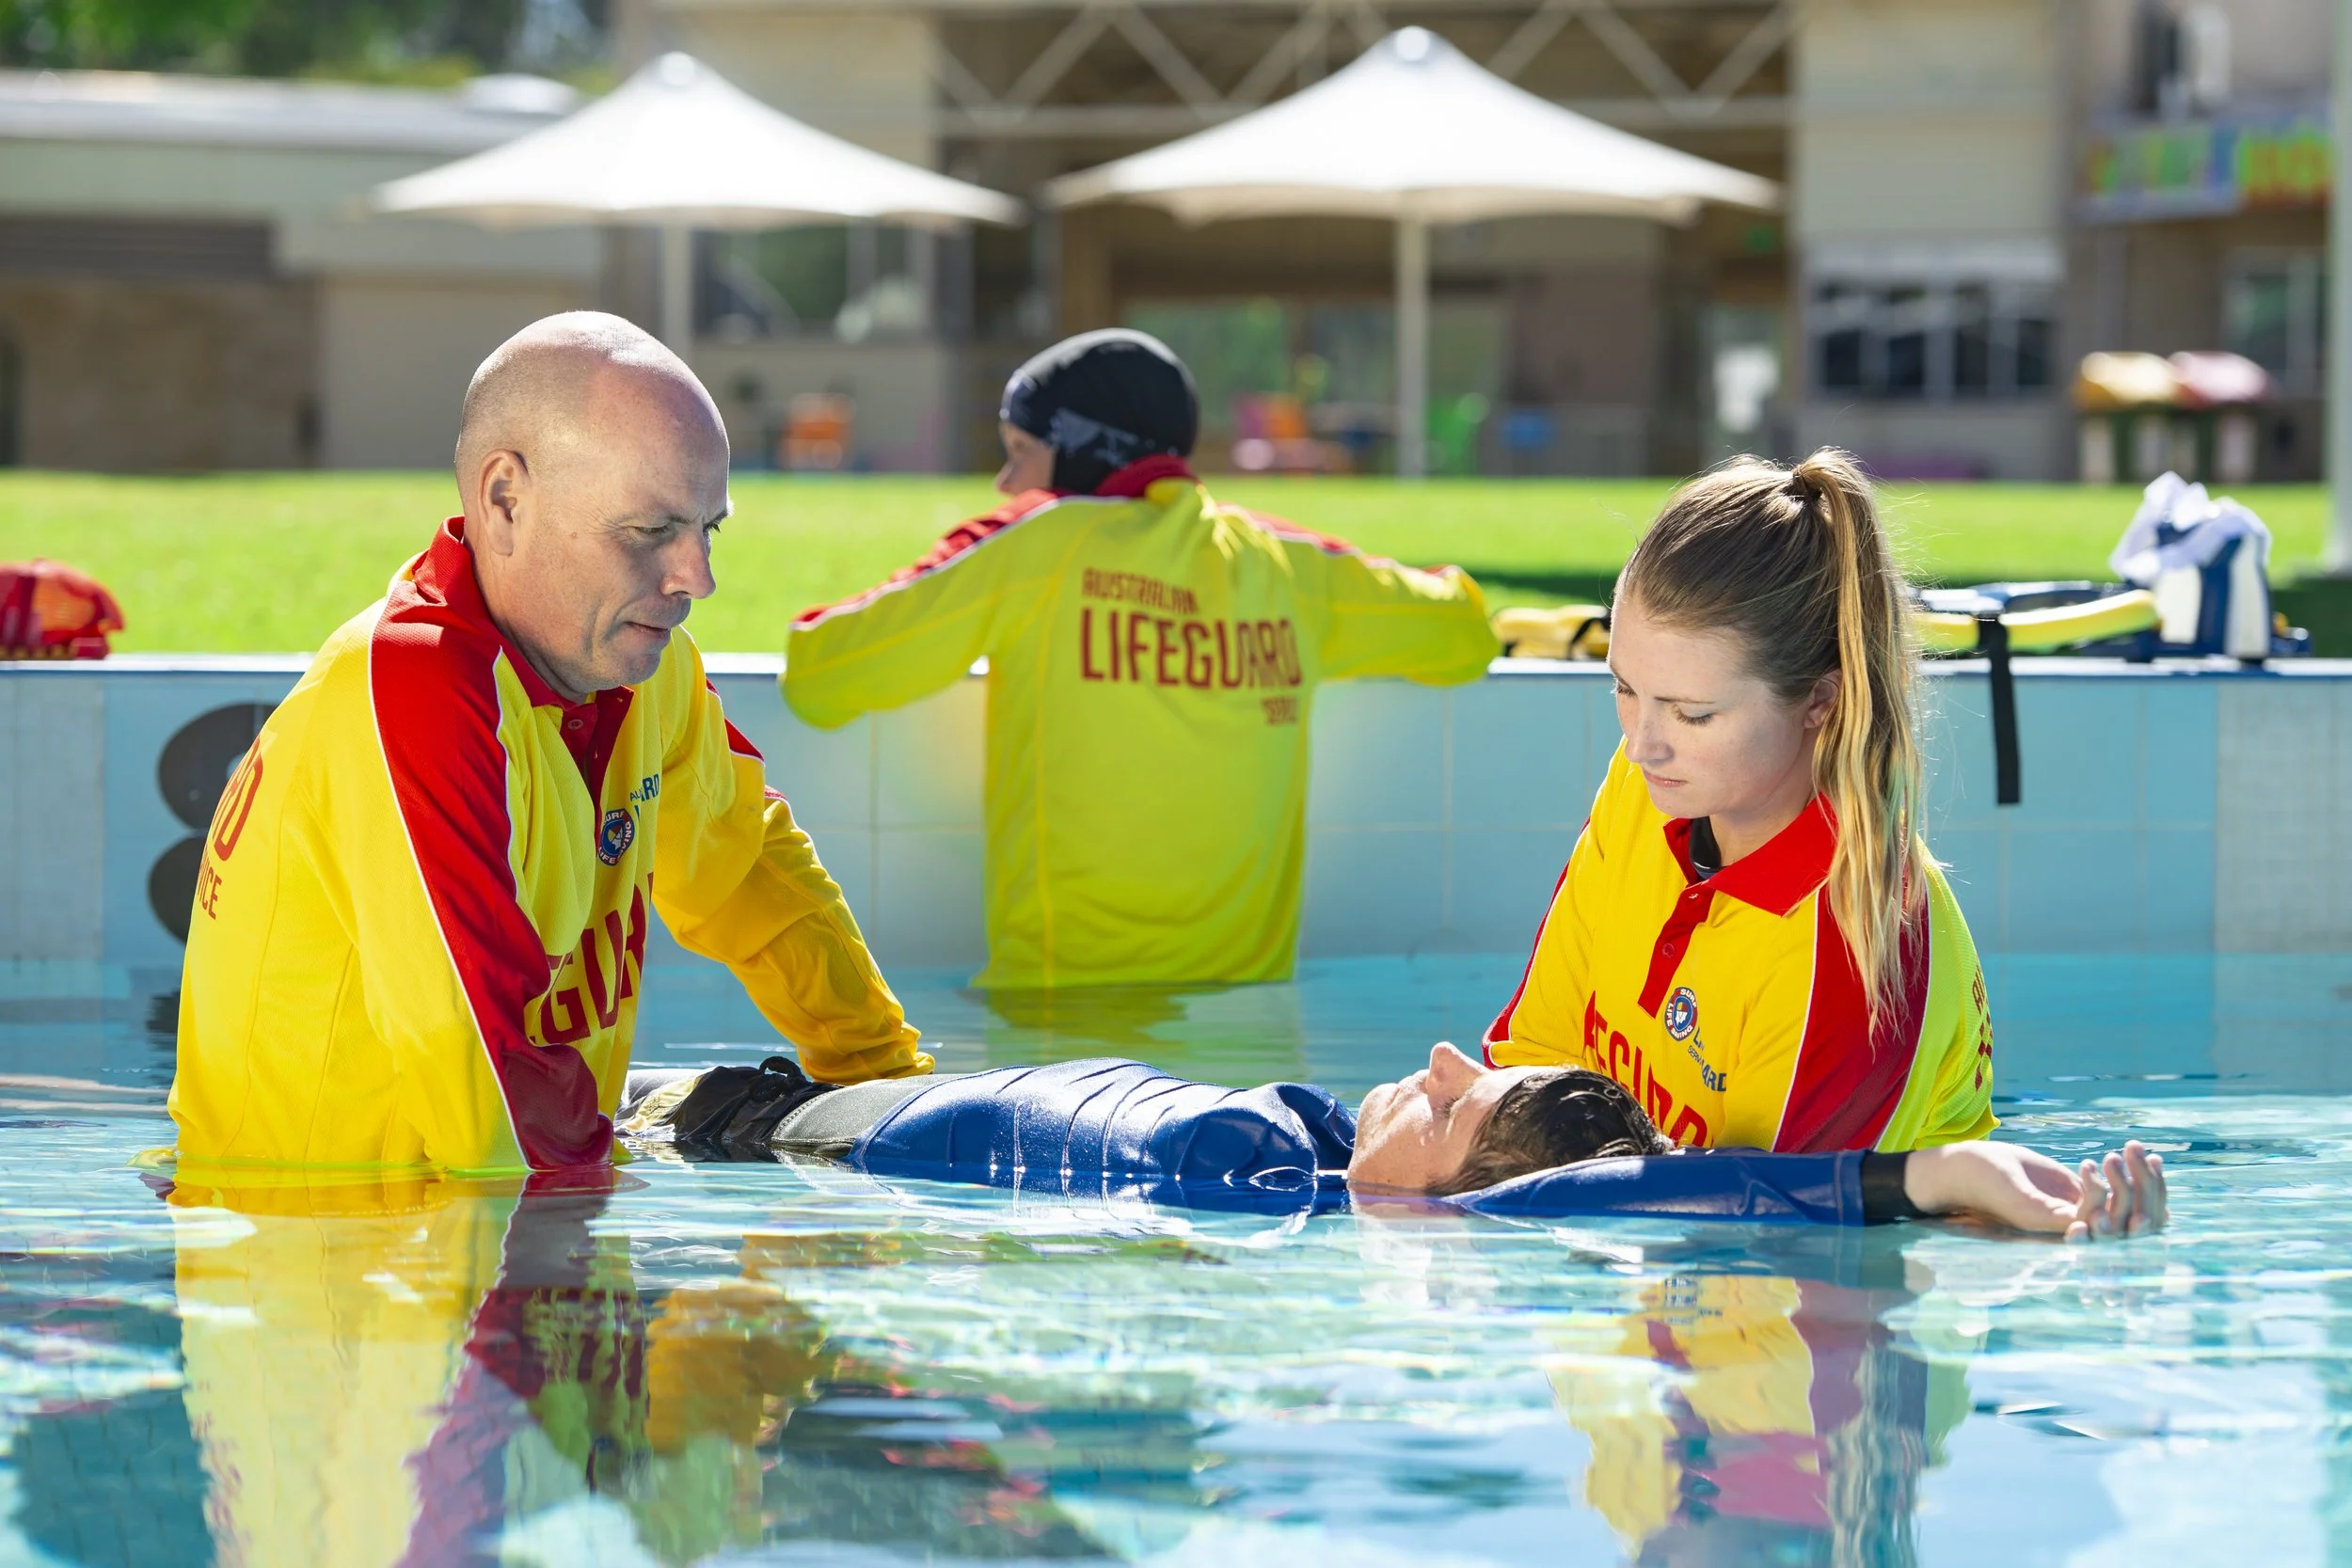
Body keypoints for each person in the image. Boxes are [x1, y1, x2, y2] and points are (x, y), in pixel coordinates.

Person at [167, 312, 930, 1178]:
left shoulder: (651, 670)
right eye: (647, 531)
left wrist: (888, 1087)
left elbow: (745, 869)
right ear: (504, 501)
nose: (698, 579)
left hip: (499, 1225)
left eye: (706, 529)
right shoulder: (406, 688)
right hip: (340, 1267)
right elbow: (490, 1091)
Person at [782, 328, 1500, 989]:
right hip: (1250, 1042)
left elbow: (819, 674)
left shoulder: (1033, 546)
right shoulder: (1283, 565)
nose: (1006, 482)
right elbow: (1463, 633)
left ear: (1081, 448)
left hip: (1059, 1039)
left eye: (1020, 451)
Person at [1486, 450, 1994, 1154]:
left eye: (1692, 715)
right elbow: (1531, 1066)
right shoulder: (1650, 789)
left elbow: (1765, 1237)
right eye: (1625, 689)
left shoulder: (1851, 951)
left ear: (1822, 698)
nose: (1641, 745)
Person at [618, 1042, 2167, 1241]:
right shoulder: (1296, 1135)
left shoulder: (1282, 1194)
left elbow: (1645, 1191)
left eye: (1458, 1103)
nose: (1440, 1062)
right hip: (835, 1101)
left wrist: (1929, 1174)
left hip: (764, 1141)